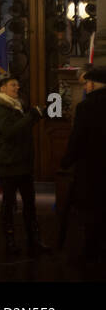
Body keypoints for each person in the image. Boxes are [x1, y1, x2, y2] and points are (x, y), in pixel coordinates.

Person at [0, 73, 48, 257]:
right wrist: (32, 116)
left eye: (17, 85)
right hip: (9, 162)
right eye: (13, 85)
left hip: (22, 162)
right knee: (8, 203)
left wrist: (36, 115)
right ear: (2, 88)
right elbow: (10, 131)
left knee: (30, 202)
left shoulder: (16, 105)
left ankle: (34, 239)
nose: (17, 88)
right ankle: (10, 240)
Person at [61, 65, 106, 279]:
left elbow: (77, 139)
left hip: (91, 168)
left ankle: (90, 254)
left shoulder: (86, 107)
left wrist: (66, 161)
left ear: (93, 84)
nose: (85, 86)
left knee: (91, 213)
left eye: (87, 83)